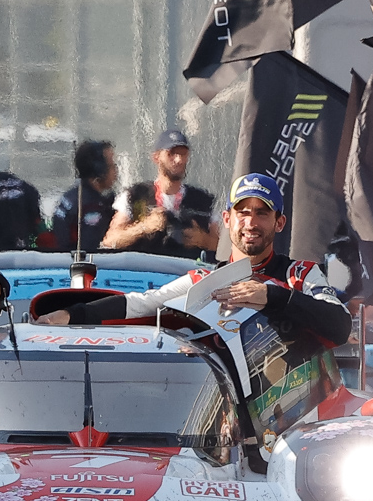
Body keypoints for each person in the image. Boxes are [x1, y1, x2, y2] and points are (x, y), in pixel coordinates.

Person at [38, 174, 352, 349]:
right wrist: (70, 313)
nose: (251, 223)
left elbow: (340, 326)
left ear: (279, 222)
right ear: (227, 220)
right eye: (243, 212)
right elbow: (140, 304)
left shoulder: (301, 274)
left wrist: (273, 295)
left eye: (262, 213)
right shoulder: (203, 281)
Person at [103, 129, 217, 259]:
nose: (179, 160)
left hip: (187, 269)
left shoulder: (202, 201)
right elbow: (110, 241)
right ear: (156, 157)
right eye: (171, 153)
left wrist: (203, 240)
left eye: (183, 154)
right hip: (145, 268)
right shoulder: (135, 196)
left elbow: (223, 247)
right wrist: (144, 227)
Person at [49, 139, 117, 253]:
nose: (115, 171)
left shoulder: (73, 195)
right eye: (111, 166)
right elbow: (90, 252)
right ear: (99, 170)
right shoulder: (90, 206)